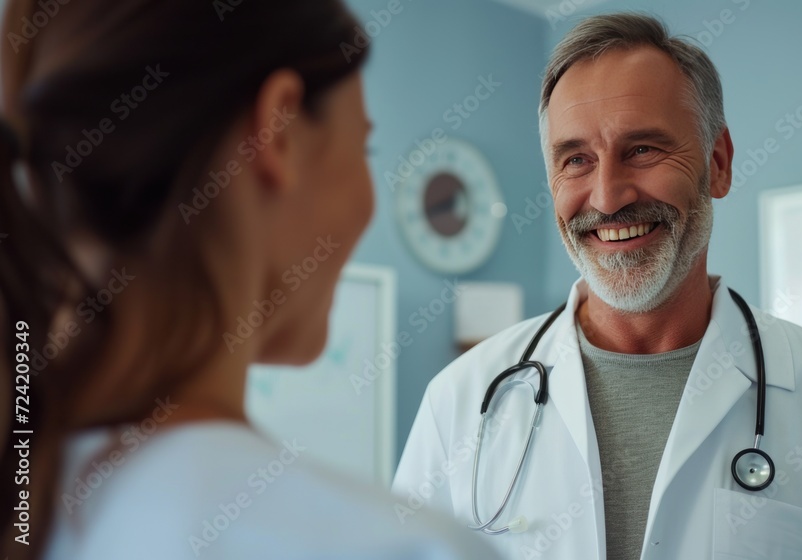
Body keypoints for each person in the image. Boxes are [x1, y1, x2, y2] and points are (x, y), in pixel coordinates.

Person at [392, 13, 802, 560]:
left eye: (643, 150)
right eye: (576, 159)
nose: (607, 197)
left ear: (717, 164)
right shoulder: (459, 404)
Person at [0, 1, 499, 559]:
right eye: (364, 146)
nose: (368, 204)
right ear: (278, 131)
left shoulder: (26, 505)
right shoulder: (400, 547)